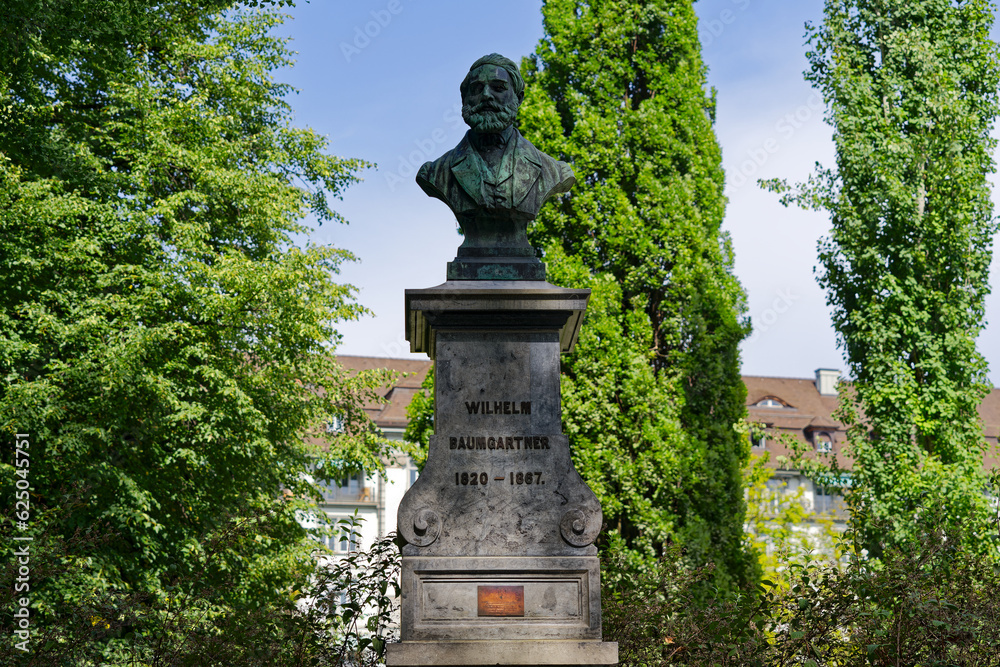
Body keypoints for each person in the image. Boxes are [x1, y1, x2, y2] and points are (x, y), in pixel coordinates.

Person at [417, 54, 575, 263]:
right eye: (476, 89)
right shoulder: (436, 172)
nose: (486, 96)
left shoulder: (554, 171)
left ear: (518, 98)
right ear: (464, 99)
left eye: (498, 88)